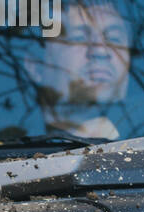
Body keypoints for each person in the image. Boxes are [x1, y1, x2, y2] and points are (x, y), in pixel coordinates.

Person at [23, 0, 133, 140]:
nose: (100, 50)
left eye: (114, 39)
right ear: (36, 65)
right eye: (79, 38)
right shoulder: (0, 150)